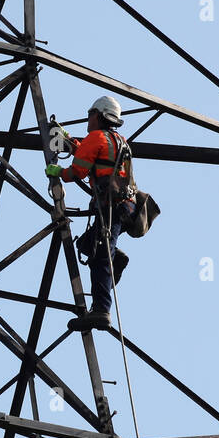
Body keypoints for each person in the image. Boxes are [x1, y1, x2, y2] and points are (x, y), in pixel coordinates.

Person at [45, 95, 136, 331]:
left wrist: (59, 172)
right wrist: (69, 141)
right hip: (124, 206)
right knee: (88, 245)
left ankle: (101, 311)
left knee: (99, 256)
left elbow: (78, 171)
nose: (88, 118)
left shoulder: (96, 138)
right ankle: (117, 257)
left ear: (98, 115)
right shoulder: (119, 140)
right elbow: (96, 156)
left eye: (90, 114)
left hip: (110, 206)